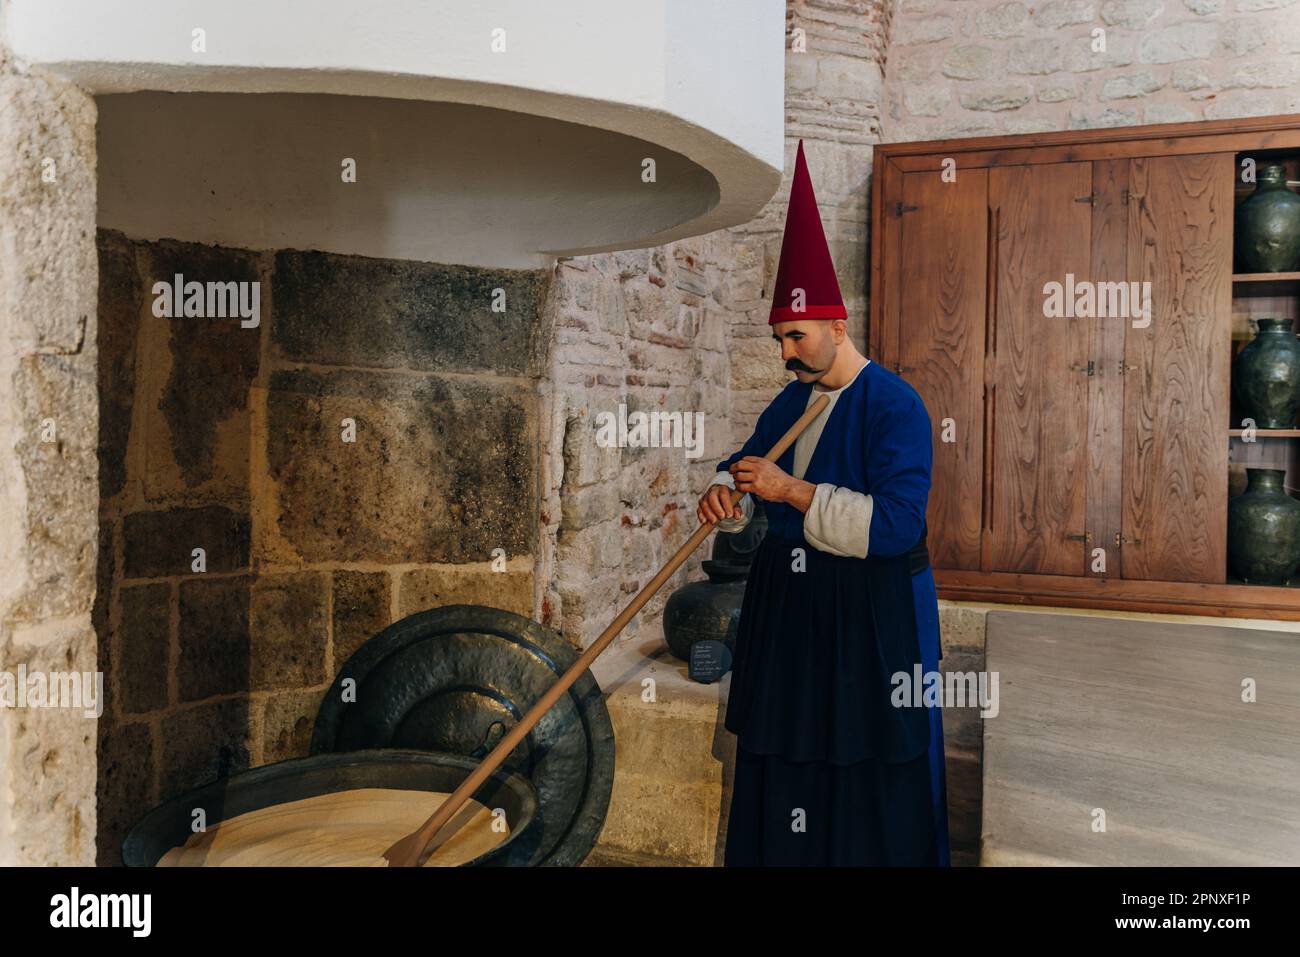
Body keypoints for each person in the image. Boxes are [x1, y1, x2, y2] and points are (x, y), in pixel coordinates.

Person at [696, 139, 950, 867]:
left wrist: (791, 492)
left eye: (796, 335)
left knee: (872, 761)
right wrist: (725, 492)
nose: (786, 351)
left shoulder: (895, 405)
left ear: (838, 325)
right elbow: (748, 464)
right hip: (800, 618)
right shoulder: (793, 399)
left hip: (871, 617)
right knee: (793, 756)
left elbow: (900, 525)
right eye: (780, 338)